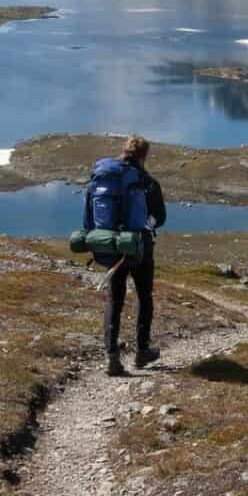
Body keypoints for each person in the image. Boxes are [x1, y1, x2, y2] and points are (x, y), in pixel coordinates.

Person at [84, 135, 167, 376]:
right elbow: (159, 217)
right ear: (143, 155)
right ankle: (141, 351)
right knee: (144, 296)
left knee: (114, 299)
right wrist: (144, 227)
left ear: (124, 151)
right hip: (140, 246)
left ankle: (111, 357)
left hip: (110, 246)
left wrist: (97, 238)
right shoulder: (147, 181)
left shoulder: (102, 176)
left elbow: (89, 215)